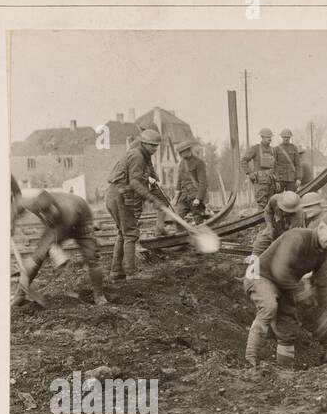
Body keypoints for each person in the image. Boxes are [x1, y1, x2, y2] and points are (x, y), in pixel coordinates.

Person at [244, 214, 327, 368]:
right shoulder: (297, 237)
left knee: (288, 331)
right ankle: (250, 360)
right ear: (320, 228)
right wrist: (302, 291)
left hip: (284, 286)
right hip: (260, 276)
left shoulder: (322, 253)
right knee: (269, 306)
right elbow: (280, 270)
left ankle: (286, 373)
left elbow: (324, 286)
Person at [13, 189, 105, 306]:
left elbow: (54, 237)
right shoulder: (31, 202)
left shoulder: (67, 211)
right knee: (37, 259)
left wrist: (36, 258)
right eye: (47, 214)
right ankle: (20, 295)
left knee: (91, 257)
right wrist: (11, 221)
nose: (51, 214)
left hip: (82, 220)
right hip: (56, 224)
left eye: (52, 212)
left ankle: (99, 295)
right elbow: (17, 205)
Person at [106, 127, 163, 283]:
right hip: (120, 195)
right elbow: (135, 183)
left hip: (115, 194)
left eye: (157, 146)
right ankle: (131, 273)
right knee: (130, 234)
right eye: (153, 145)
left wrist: (155, 178)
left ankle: (116, 272)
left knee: (123, 233)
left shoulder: (143, 153)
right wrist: (154, 199)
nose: (155, 149)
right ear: (144, 143)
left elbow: (150, 166)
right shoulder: (137, 156)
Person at [252, 190, 303, 256]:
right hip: (277, 225)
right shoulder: (274, 200)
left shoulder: (298, 215)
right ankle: (254, 259)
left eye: (288, 211)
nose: (284, 213)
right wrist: (269, 226)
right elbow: (268, 211)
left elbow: (291, 236)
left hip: (291, 232)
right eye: (283, 209)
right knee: (260, 242)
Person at [242, 127, 280, 209]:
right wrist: (249, 173)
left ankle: (270, 222)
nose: (269, 139)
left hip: (271, 182)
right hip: (260, 183)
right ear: (262, 137)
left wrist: (277, 181)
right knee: (262, 205)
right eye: (267, 137)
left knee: (272, 205)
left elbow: (276, 166)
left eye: (270, 137)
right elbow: (244, 160)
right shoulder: (255, 148)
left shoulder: (273, 150)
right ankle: (261, 221)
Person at [174, 141, 209, 224]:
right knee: (177, 218)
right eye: (179, 153)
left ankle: (201, 234)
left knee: (198, 219)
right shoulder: (182, 163)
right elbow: (179, 182)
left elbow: (203, 183)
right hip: (184, 196)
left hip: (195, 195)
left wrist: (198, 198)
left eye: (182, 152)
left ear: (188, 150)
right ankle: (181, 234)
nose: (180, 155)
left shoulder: (199, 162)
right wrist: (175, 198)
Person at [277, 129, 302, 193]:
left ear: (290, 137)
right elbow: (274, 166)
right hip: (280, 178)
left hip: (291, 178)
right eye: (284, 137)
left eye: (288, 137)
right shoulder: (276, 149)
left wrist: (299, 178)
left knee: (291, 198)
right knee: (278, 198)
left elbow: (298, 165)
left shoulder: (294, 148)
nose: (286, 138)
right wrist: (276, 180)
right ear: (282, 137)